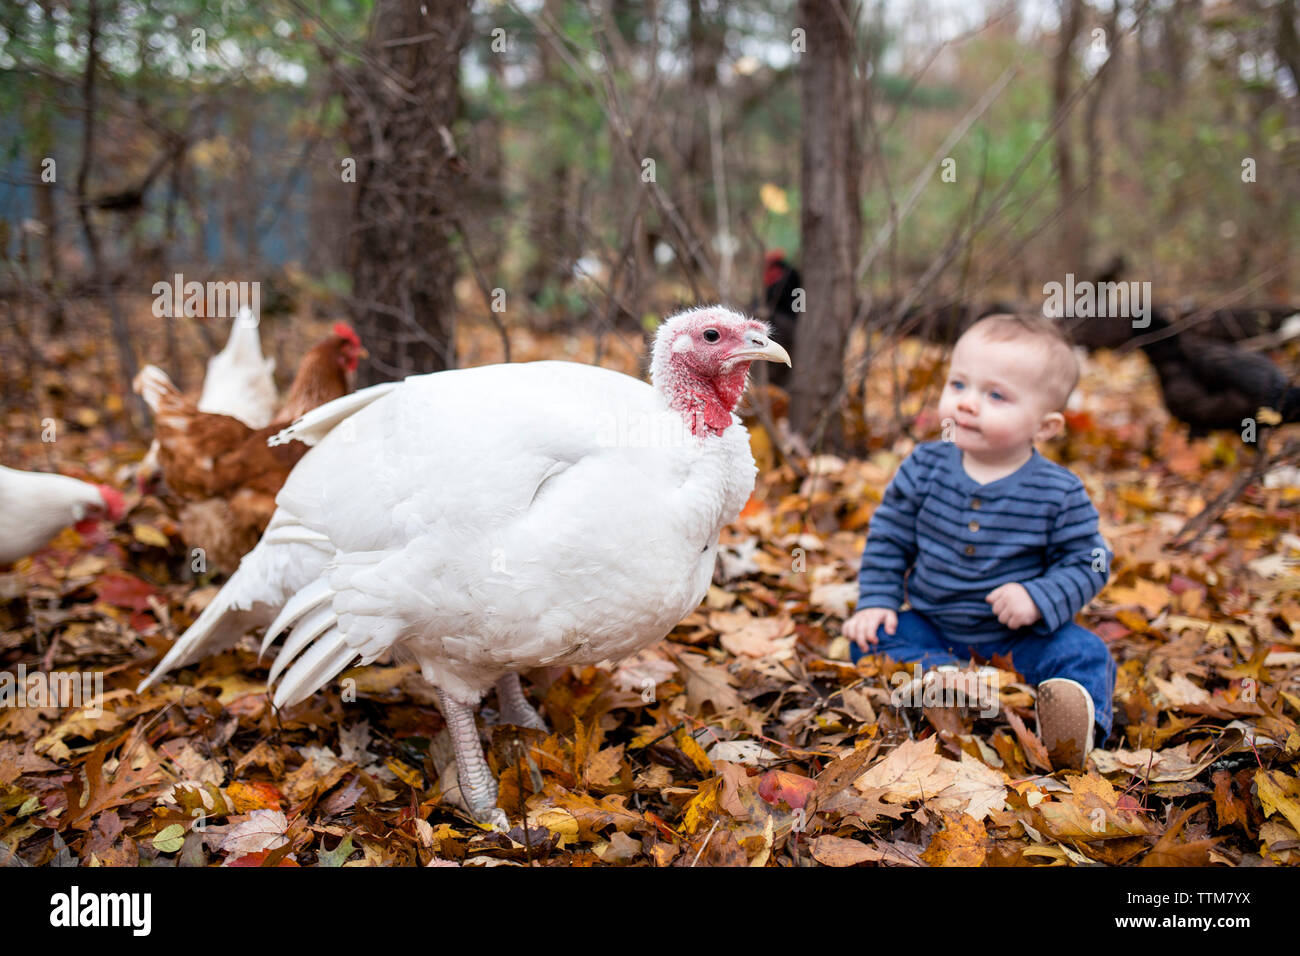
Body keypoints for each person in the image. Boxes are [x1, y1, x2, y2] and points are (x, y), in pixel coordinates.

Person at [843, 314, 1115, 770]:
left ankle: (1075, 732)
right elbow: (890, 537)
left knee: (1087, 652)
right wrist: (877, 600)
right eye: (959, 384)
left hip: (1023, 637)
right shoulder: (924, 467)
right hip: (934, 627)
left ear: (1045, 427)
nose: (968, 404)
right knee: (872, 636)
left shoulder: (1059, 490)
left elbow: (1091, 561)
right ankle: (941, 684)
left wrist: (1039, 595)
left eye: (995, 395)